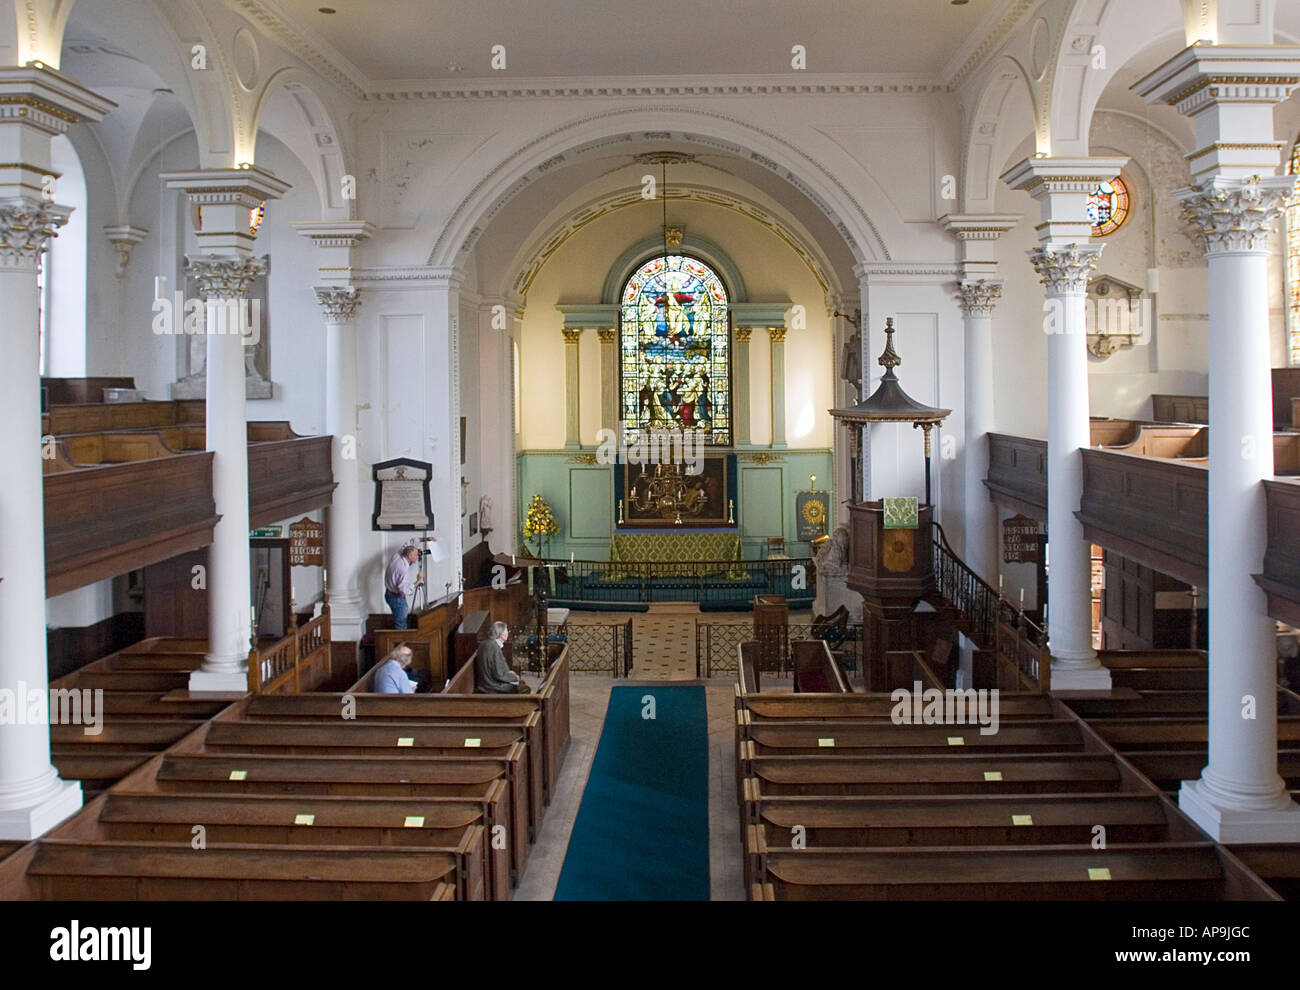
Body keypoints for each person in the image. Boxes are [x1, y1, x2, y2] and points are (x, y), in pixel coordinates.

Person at [474, 621, 529, 694]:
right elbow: (499, 675)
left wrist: (509, 673)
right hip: (492, 687)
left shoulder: (485, 643)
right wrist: (515, 677)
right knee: (525, 689)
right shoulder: (494, 648)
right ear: (501, 635)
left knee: (521, 683)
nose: (508, 633)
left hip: (486, 683)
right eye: (507, 631)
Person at [384, 539, 423, 629]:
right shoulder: (403, 569)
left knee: (400, 621)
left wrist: (427, 539)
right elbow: (403, 590)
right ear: (409, 556)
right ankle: (400, 642)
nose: (417, 557)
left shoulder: (398, 556)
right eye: (416, 555)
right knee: (401, 625)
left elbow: (410, 543)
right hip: (396, 598)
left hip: (389, 594)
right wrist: (418, 580)